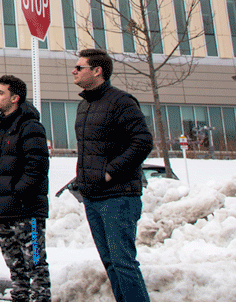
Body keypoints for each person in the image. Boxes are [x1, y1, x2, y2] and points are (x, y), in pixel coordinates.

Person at [71, 48, 153, 302]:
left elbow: (142, 142)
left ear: (98, 71)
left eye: (79, 67)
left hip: (118, 197)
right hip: (93, 197)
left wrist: (109, 173)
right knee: (110, 263)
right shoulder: (84, 105)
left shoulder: (121, 101)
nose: (74, 71)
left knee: (123, 263)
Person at [0, 75, 50, 302]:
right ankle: (20, 296)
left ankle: (41, 298)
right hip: (5, 210)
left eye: (1, 93)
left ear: (15, 97)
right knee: (14, 264)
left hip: (27, 210)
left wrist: (17, 192)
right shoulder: (0, 130)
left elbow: (37, 166)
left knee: (35, 261)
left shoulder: (30, 126)